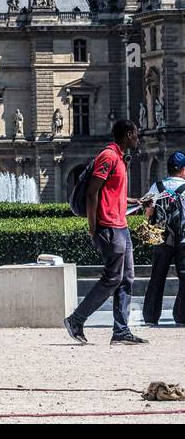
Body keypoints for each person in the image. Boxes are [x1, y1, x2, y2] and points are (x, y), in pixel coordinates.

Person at [64, 120, 147, 345]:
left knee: (126, 278)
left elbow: (111, 192)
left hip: (121, 225)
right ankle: (76, 319)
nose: (138, 139)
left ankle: (121, 331)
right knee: (112, 278)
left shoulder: (119, 157)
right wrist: (93, 228)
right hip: (109, 226)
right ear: (128, 134)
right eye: (136, 135)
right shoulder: (108, 156)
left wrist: (134, 200)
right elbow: (92, 193)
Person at [141, 151, 185, 325]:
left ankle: (151, 317)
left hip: (161, 239)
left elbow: (147, 213)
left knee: (157, 278)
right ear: (183, 170)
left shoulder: (156, 187)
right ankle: (181, 316)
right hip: (183, 241)